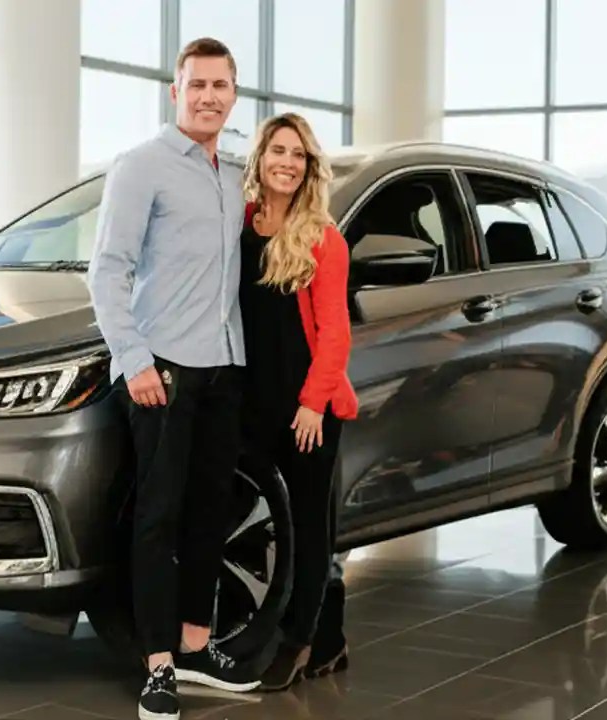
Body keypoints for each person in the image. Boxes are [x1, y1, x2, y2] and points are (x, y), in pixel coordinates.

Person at [86, 36, 262, 720]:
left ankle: (196, 645)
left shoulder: (233, 174)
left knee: (210, 515)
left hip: (225, 368)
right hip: (164, 373)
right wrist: (133, 360)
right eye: (198, 85)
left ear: (234, 94)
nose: (209, 96)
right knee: (157, 519)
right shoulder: (141, 167)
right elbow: (108, 270)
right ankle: (158, 666)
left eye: (221, 86)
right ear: (175, 92)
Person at [236, 112, 358, 692]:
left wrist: (312, 404)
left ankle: (300, 642)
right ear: (260, 158)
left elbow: (335, 332)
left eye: (298, 154)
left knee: (309, 530)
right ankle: (330, 639)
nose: (287, 162)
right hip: (252, 404)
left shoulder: (323, 239)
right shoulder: (240, 226)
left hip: (308, 409)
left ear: (310, 167)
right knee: (270, 527)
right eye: (277, 150)